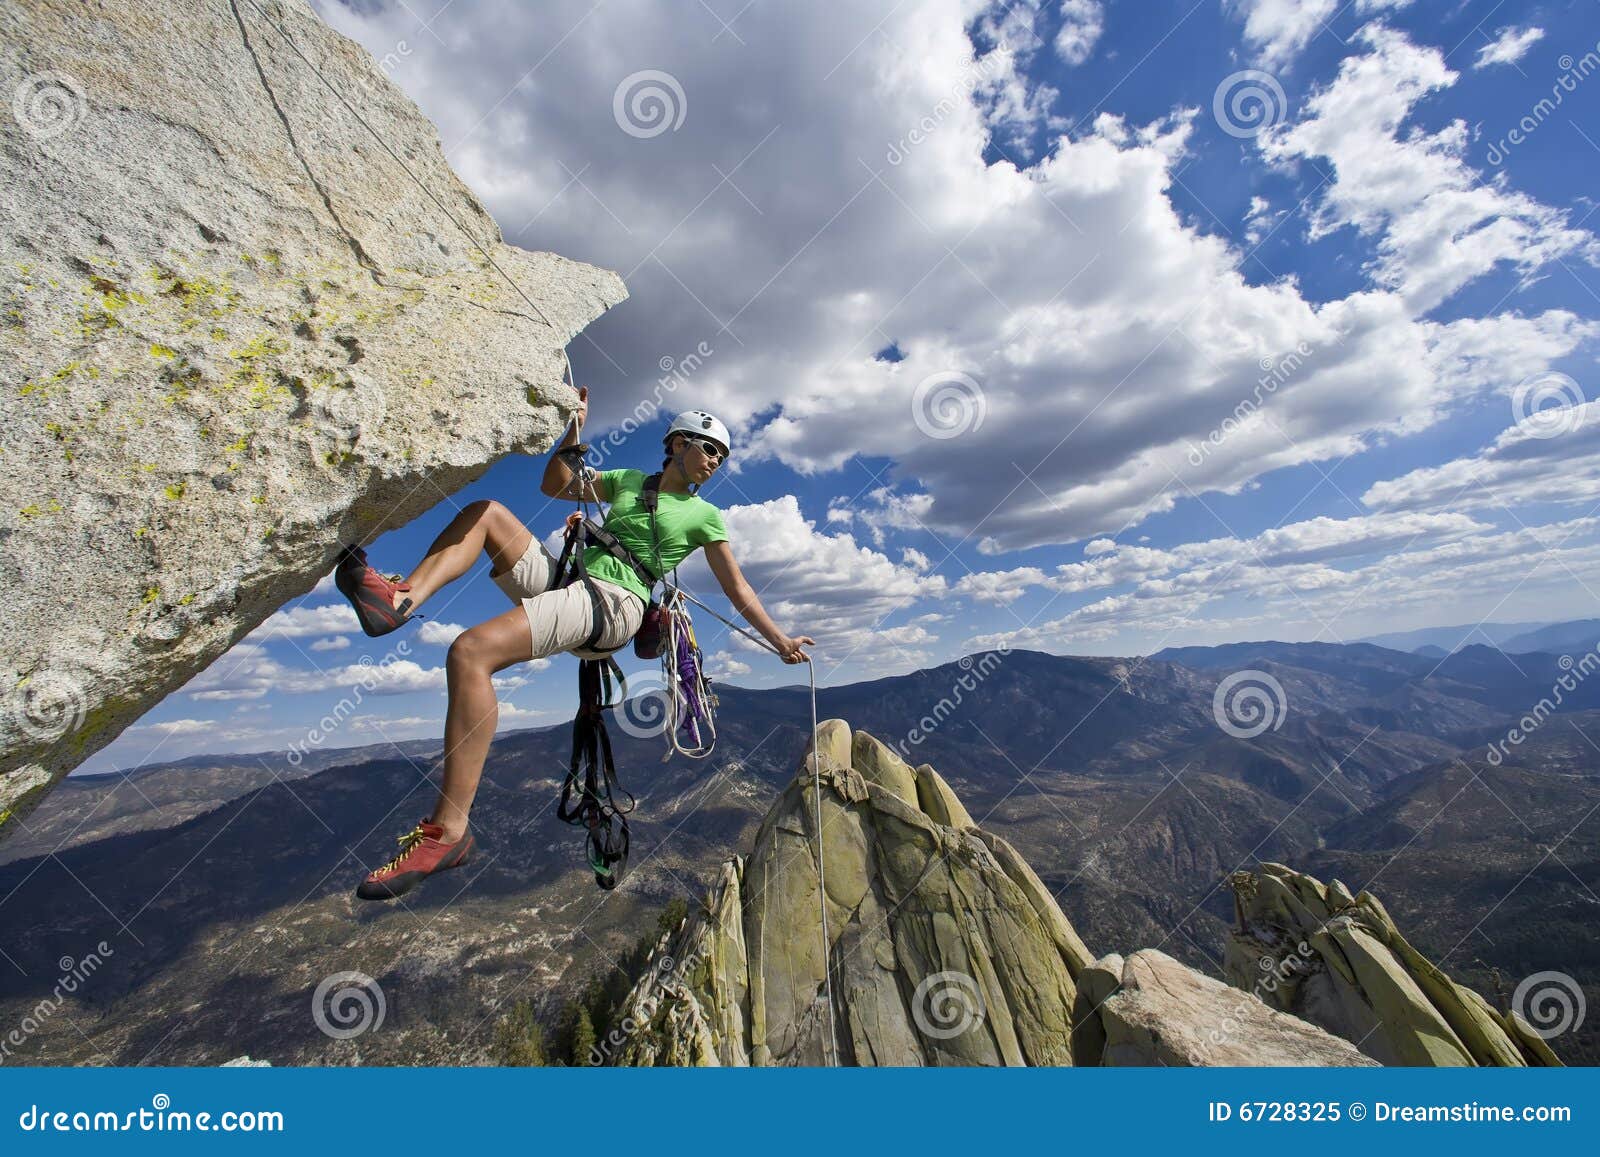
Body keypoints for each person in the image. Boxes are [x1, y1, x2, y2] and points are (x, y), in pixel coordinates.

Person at [333, 389, 815, 901]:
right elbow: (556, 484)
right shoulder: (629, 481)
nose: (715, 461)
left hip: (615, 602)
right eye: (709, 448)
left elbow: (737, 588)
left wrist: (779, 641)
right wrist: (573, 430)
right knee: (486, 512)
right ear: (677, 444)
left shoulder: (704, 516)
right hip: (572, 582)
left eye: (722, 455)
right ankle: (400, 599)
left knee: (470, 652)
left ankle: (449, 832)